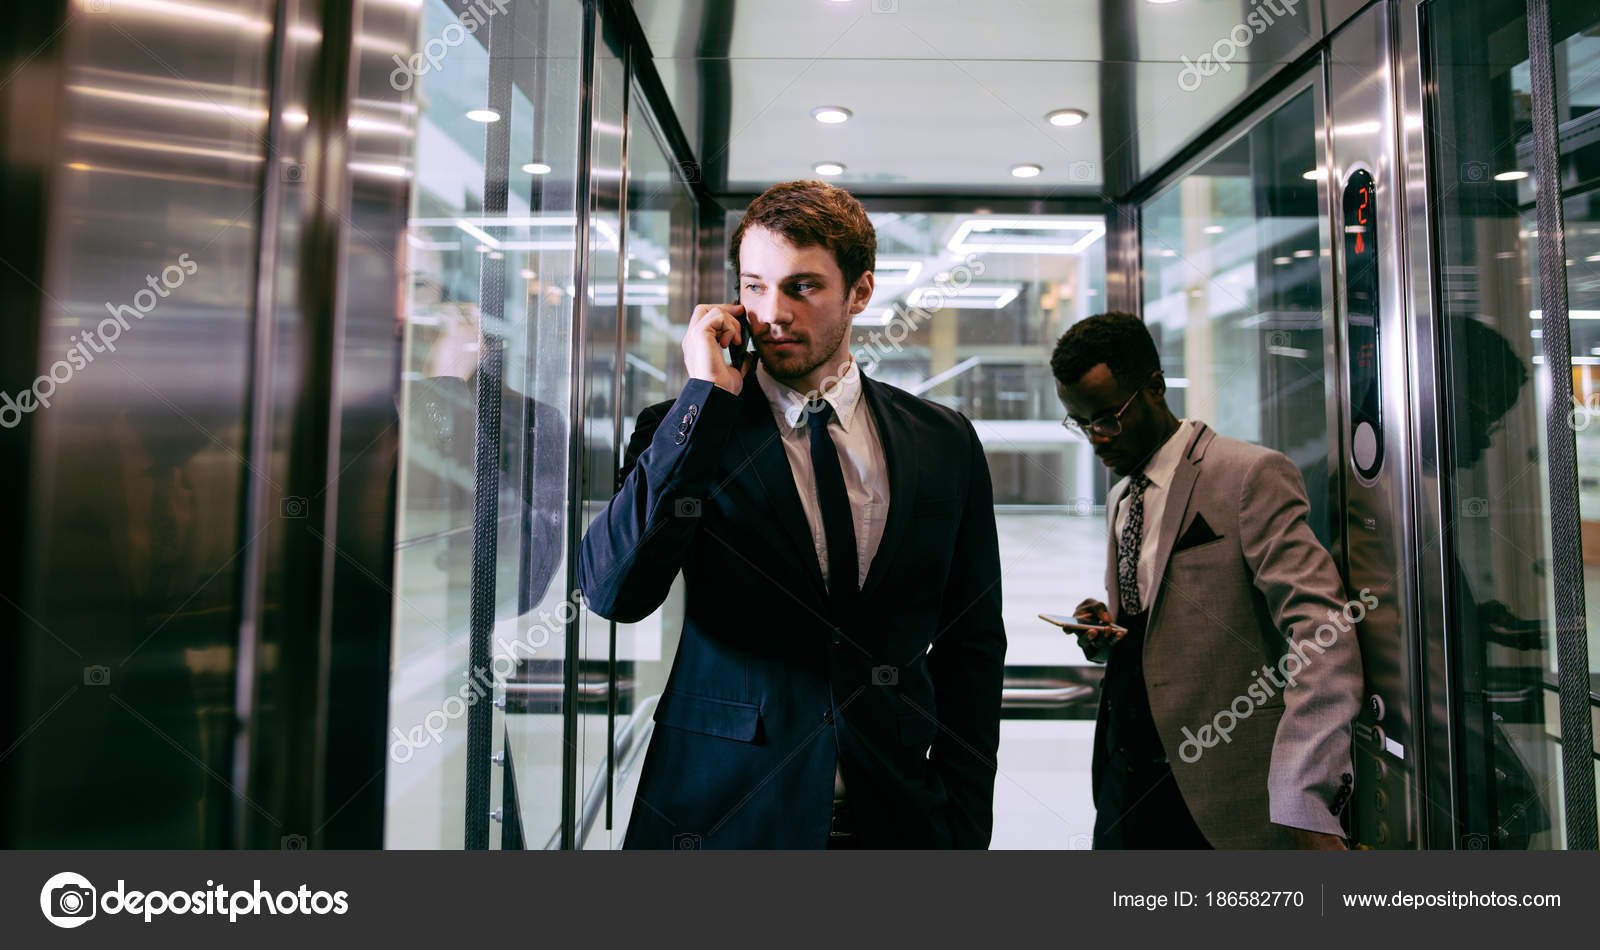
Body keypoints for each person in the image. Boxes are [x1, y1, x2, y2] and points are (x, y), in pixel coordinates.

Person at [578, 179, 1006, 849]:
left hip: (898, 817)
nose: (771, 312)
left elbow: (972, 646)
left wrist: (965, 825)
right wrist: (703, 400)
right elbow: (614, 592)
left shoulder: (943, 441)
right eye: (753, 286)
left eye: (801, 287)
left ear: (859, 292)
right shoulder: (684, 427)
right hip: (719, 813)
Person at [1052, 312, 1362, 850]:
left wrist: (1304, 792)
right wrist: (1108, 636)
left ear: (1154, 388)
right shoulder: (1121, 498)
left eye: (1107, 418)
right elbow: (1161, 630)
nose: (1096, 440)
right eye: (1080, 423)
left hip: (1222, 795)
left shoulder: (1248, 475)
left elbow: (1323, 631)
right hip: (1123, 792)